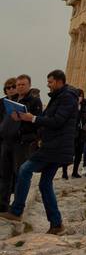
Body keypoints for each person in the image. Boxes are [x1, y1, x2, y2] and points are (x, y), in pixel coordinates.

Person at [0, 69, 77, 234]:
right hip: (54, 146)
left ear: (58, 81)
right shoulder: (60, 97)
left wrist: (31, 118)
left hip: (55, 147)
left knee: (24, 169)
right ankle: (56, 224)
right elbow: (49, 120)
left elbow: (57, 121)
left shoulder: (67, 97)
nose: (48, 85)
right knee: (44, 184)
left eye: (50, 82)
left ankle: (16, 211)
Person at [0, 75, 42, 212]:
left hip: (21, 142)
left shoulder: (34, 101)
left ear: (29, 85)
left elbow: (37, 123)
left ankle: (17, 206)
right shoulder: (10, 100)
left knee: (20, 174)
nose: (19, 87)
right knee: (4, 174)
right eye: (17, 85)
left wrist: (25, 121)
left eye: (22, 85)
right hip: (6, 141)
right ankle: (2, 203)